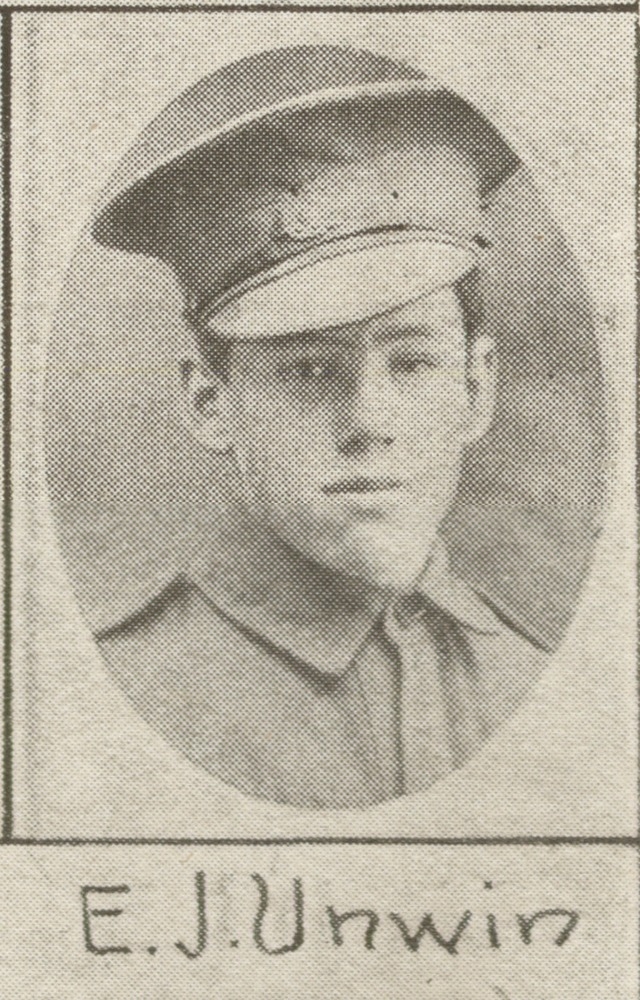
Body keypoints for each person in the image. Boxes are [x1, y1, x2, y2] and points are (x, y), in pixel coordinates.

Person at [92, 45, 549, 809]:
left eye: (412, 365)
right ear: (210, 402)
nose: (369, 421)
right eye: (310, 370)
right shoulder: (123, 696)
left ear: (476, 388)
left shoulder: (537, 678)